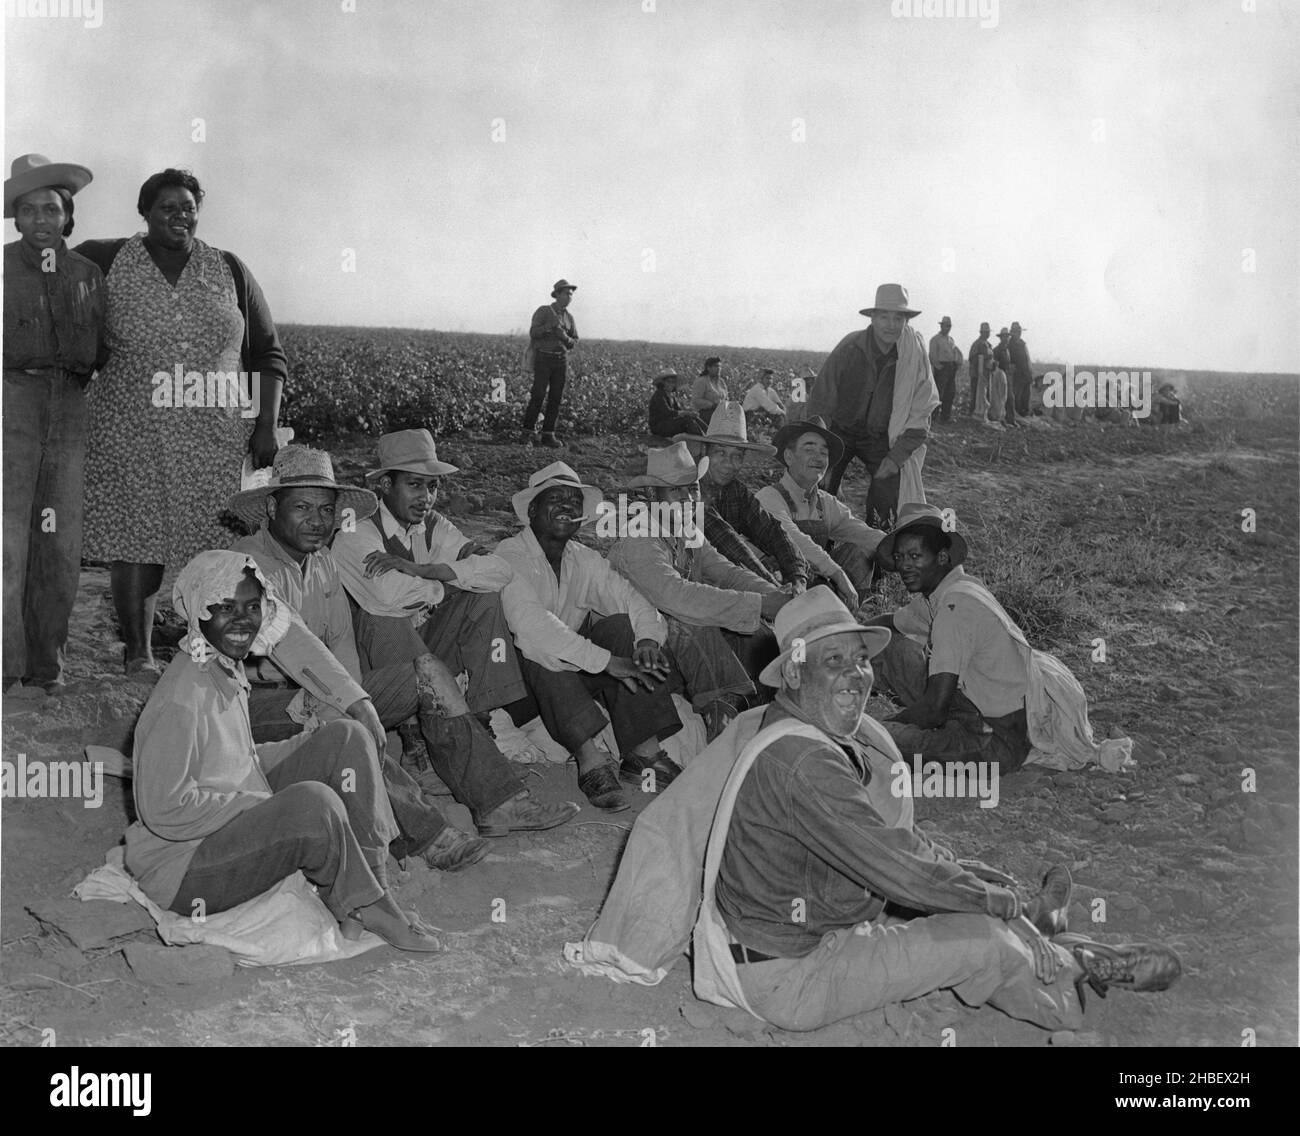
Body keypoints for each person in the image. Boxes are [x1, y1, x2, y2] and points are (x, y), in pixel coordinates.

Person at [709, 587, 1181, 1031]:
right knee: (983, 941)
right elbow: (898, 866)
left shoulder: (798, 726)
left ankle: (1035, 922)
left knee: (967, 882)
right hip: (792, 975)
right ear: (793, 672)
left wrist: (972, 879)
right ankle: (1071, 967)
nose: (856, 675)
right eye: (834, 661)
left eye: (860, 660)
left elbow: (884, 837)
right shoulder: (804, 760)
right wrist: (1002, 906)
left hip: (818, 918)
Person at [231, 443, 575, 851]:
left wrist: (355, 695)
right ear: (272, 508)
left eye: (325, 510)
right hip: (256, 706)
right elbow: (289, 649)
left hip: (321, 689)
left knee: (425, 672)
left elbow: (340, 642)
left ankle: (496, 801)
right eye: (302, 508)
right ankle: (430, 836)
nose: (317, 521)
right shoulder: (245, 563)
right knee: (349, 730)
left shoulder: (320, 562)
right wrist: (351, 703)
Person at [124, 551, 442, 953]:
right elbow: (164, 809)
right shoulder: (182, 698)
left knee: (346, 737)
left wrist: (311, 743)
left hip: (225, 817)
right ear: (199, 612)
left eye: (252, 607)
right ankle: (365, 901)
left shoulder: (219, 662)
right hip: (184, 868)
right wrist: (261, 805)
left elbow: (236, 759)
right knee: (314, 804)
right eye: (224, 607)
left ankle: (369, 892)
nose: (241, 620)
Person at [75, 169, 287, 675]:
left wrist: (264, 426)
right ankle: (138, 652)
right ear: (144, 213)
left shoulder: (228, 269)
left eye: (188, 206)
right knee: (135, 537)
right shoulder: (106, 259)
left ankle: (209, 645)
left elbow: (266, 353)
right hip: (130, 425)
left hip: (214, 431)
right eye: (166, 206)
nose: (179, 215)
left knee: (216, 541)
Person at [867, 503, 1129, 773]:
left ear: (942, 557)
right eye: (900, 557)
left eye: (914, 556)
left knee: (869, 736)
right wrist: (843, 634)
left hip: (993, 738)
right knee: (893, 645)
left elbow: (934, 710)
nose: (904, 566)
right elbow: (891, 622)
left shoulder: (954, 609)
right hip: (970, 705)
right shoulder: (951, 590)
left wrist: (887, 723)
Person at [497, 462, 683, 810]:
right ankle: (590, 761)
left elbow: (631, 598)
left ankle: (643, 756)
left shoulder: (583, 559)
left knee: (622, 628)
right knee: (542, 649)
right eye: (556, 498)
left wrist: (645, 641)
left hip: (566, 683)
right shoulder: (510, 555)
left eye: (574, 500)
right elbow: (530, 626)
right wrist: (607, 662)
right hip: (519, 687)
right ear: (532, 510)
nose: (568, 506)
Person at [3, 154, 105, 693]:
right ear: (16, 217)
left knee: (59, 541)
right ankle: (5, 666)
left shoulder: (88, 276)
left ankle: (46, 665)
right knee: (8, 537)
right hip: (9, 399)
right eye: (29, 210)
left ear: (68, 216)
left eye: (52, 208)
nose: (42, 219)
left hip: (68, 405)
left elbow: (100, 349)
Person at [609, 443, 789, 742]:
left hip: (681, 645)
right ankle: (722, 715)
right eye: (676, 491)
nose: (687, 499)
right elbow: (677, 596)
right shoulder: (640, 537)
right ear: (653, 496)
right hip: (641, 645)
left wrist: (774, 599)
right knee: (695, 620)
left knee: (755, 630)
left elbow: (727, 572)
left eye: (691, 490)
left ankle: (764, 705)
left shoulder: (686, 529)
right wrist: (759, 604)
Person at [805, 283, 939, 526]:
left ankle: (877, 550)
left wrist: (895, 458)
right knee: (818, 491)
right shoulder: (850, 347)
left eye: (898, 318)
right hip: (838, 432)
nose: (891, 325)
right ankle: (820, 545)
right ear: (873, 318)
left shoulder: (912, 356)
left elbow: (921, 415)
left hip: (880, 438)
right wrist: (822, 451)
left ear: (906, 321)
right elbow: (821, 400)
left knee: (886, 495)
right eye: (884, 317)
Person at [674, 401, 808, 592]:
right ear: (705, 452)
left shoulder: (736, 490)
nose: (729, 464)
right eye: (721, 452)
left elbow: (771, 530)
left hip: (729, 579)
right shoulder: (685, 489)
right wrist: (774, 587)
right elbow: (728, 542)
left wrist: (797, 576)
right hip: (685, 584)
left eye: (737, 456)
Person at [755, 417, 883, 608]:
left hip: (817, 584)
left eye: (824, 452)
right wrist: (837, 574)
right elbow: (792, 540)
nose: (818, 457)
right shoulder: (768, 497)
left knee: (859, 552)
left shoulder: (825, 502)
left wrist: (902, 548)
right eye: (809, 449)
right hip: (779, 587)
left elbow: (862, 533)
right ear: (789, 457)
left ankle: (849, 615)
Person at [522, 278, 578, 448]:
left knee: (556, 397)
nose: (569, 297)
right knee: (538, 395)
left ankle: (548, 434)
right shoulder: (544, 311)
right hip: (543, 358)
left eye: (571, 294)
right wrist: (548, 327)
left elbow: (574, 341)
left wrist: (564, 337)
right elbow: (533, 332)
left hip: (561, 361)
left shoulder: (569, 317)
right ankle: (527, 433)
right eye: (566, 294)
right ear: (557, 295)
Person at [647, 370, 706, 438]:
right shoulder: (659, 395)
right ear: (663, 382)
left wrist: (690, 412)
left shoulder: (671, 395)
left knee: (692, 417)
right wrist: (686, 413)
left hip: (668, 423)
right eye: (668, 382)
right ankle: (703, 438)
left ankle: (709, 434)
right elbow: (667, 412)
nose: (670, 384)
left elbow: (678, 410)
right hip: (658, 426)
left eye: (673, 382)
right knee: (687, 419)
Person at [928, 316, 963, 424]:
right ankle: (934, 416)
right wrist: (939, 368)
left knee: (950, 393)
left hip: (951, 368)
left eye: (949, 326)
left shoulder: (951, 340)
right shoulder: (935, 339)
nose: (947, 328)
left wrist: (956, 364)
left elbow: (956, 352)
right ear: (941, 326)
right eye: (945, 326)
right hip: (941, 369)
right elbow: (932, 355)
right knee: (938, 393)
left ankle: (945, 417)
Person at [741, 368, 785, 432]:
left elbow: (779, 404)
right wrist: (783, 413)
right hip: (749, 415)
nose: (769, 381)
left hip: (760, 414)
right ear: (761, 379)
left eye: (771, 379)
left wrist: (785, 412)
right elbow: (768, 405)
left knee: (779, 417)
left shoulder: (770, 390)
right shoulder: (758, 389)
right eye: (767, 378)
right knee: (776, 417)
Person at [690, 356, 729, 424]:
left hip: (720, 410)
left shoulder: (721, 381)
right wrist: (712, 405)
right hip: (704, 413)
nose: (719, 368)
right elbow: (696, 400)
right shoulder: (701, 381)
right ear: (708, 368)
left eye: (720, 366)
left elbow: (726, 397)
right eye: (716, 366)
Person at [967, 321, 993, 419]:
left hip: (987, 374)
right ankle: (973, 413)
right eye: (985, 332)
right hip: (977, 374)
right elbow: (973, 359)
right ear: (981, 332)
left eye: (988, 332)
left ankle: (983, 414)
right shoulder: (977, 344)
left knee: (985, 395)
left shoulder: (988, 345)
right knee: (976, 394)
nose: (987, 333)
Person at [1008, 321, 1033, 419]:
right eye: (1016, 331)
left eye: (1019, 331)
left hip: (1026, 374)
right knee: (1017, 395)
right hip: (1017, 374)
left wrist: (1030, 372)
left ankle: (1025, 412)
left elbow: (1027, 360)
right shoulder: (1010, 345)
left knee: (1026, 395)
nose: (1018, 333)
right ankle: (1018, 412)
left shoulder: (1022, 344)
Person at [993, 327, 1016, 425]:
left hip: (1007, 377)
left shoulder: (1007, 350)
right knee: (1001, 398)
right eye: (1004, 337)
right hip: (999, 377)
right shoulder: (997, 350)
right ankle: (1002, 418)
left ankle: (1010, 419)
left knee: (1009, 398)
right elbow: (995, 365)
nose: (1006, 339)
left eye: (1007, 337)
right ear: (1000, 338)